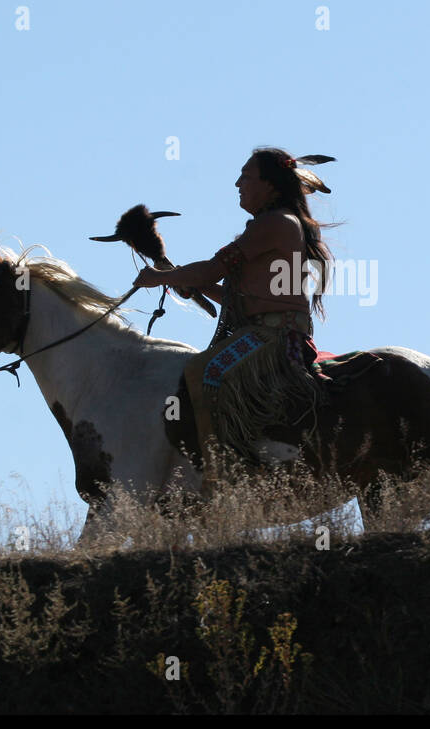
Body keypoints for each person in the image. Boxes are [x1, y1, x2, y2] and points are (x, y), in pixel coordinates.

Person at [132, 147, 336, 490]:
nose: (238, 183)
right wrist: (187, 281)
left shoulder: (274, 224)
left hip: (273, 336)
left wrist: (162, 277)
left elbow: (213, 268)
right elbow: (234, 297)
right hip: (268, 329)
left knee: (203, 370)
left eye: (247, 176)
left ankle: (220, 473)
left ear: (269, 185)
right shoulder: (275, 224)